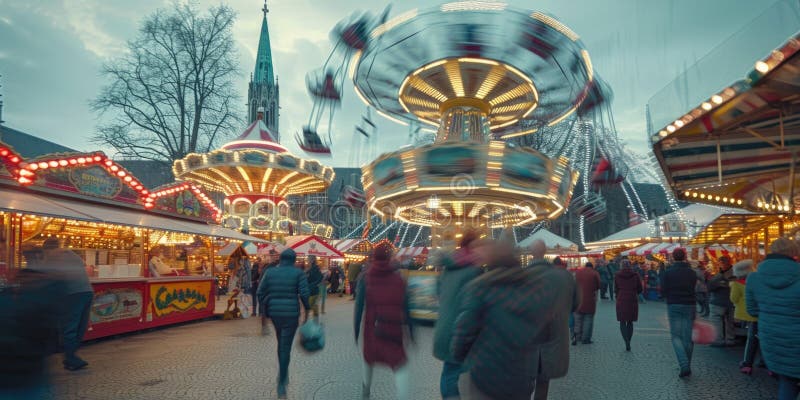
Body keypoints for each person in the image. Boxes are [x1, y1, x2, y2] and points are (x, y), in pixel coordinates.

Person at [451, 231, 567, 400]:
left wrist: (460, 355)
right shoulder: (532, 287)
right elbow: (546, 328)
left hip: (487, 375)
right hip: (521, 377)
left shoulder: (480, 287)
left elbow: (464, 330)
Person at [354, 242, 413, 400]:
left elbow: (359, 307)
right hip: (393, 328)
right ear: (389, 258)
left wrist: (356, 331)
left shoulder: (365, 277)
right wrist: (412, 332)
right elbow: (407, 307)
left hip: (372, 327)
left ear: (373, 257)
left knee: (368, 359)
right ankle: (402, 396)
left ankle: (365, 392)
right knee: (400, 365)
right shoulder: (400, 279)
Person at [746, 238, 800, 400]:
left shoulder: (754, 278)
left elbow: (752, 311)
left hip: (773, 340)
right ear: (794, 253)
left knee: (787, 383)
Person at [526, 239, 579, 400]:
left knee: (524, 382)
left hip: (526, 340)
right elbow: (575, 304)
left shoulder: (519, 277)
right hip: (552, 339)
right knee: (543, 381)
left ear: (530, 254)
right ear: (545, 253)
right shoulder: (564, 277)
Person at [256, 249, 311, 399]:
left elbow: (260, 292)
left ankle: (283, 374)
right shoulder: (298, 273)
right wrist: (307, 309)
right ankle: (282, 381)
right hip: (291, 314)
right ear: (293, 260)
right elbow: (305, 294)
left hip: (275, 314)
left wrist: (266, 305)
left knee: (281, 343)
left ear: (281, 259)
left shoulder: (270, 272)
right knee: (285, 346)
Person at [433, 232, 481, 400]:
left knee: (450, 370)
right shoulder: (473, 270)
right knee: (455, 371)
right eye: (478, 246)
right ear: (470, 247)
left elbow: (439, 293)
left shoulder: (448, 267)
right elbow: (476, 302)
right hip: (460, 329)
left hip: (445, 327)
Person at [660, 248, 697, 378]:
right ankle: (687, 364)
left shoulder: (668, 273)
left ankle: (684, 364)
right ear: (685, 256)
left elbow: (663, 290)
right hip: (690, 304)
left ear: (673, 257)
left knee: (676, 336)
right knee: (688, 337)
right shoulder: (692, 273)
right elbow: (694, 287)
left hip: (674, 304)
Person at [730, 259, 759, 374]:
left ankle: (747, 362)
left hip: (747, 313)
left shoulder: (737, 284)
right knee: (762, 337)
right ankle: (765, 362)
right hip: (762, 312)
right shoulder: (757, 281)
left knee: (751, 338)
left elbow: (733, 299)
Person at [615, 259, 643, 351]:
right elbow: (640, 289)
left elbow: (615, 289)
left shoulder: (617, 275)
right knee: (630, 322)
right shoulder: (635, 275)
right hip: (632, 299)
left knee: (622, 321)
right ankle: (629, 342)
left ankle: (626, 342)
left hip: (621, 298)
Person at [708, 255, 736, 347]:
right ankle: (730, 339)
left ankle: (718, 340)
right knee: (730, 322)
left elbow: (710, 286)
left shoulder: (720, 275)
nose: (721, 265)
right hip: (731, 301)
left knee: (717, 321)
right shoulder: (736, 273)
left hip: (719, 301)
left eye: (721, 263)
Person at [573, 262, 600, 345]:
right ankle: (586, 339)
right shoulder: (595, 273)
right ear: (592, 267)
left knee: (578, 319)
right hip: (590, 300)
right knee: (588, 319)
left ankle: (577, 337)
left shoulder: (577, 273)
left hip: (578, 300)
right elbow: (598, 285)